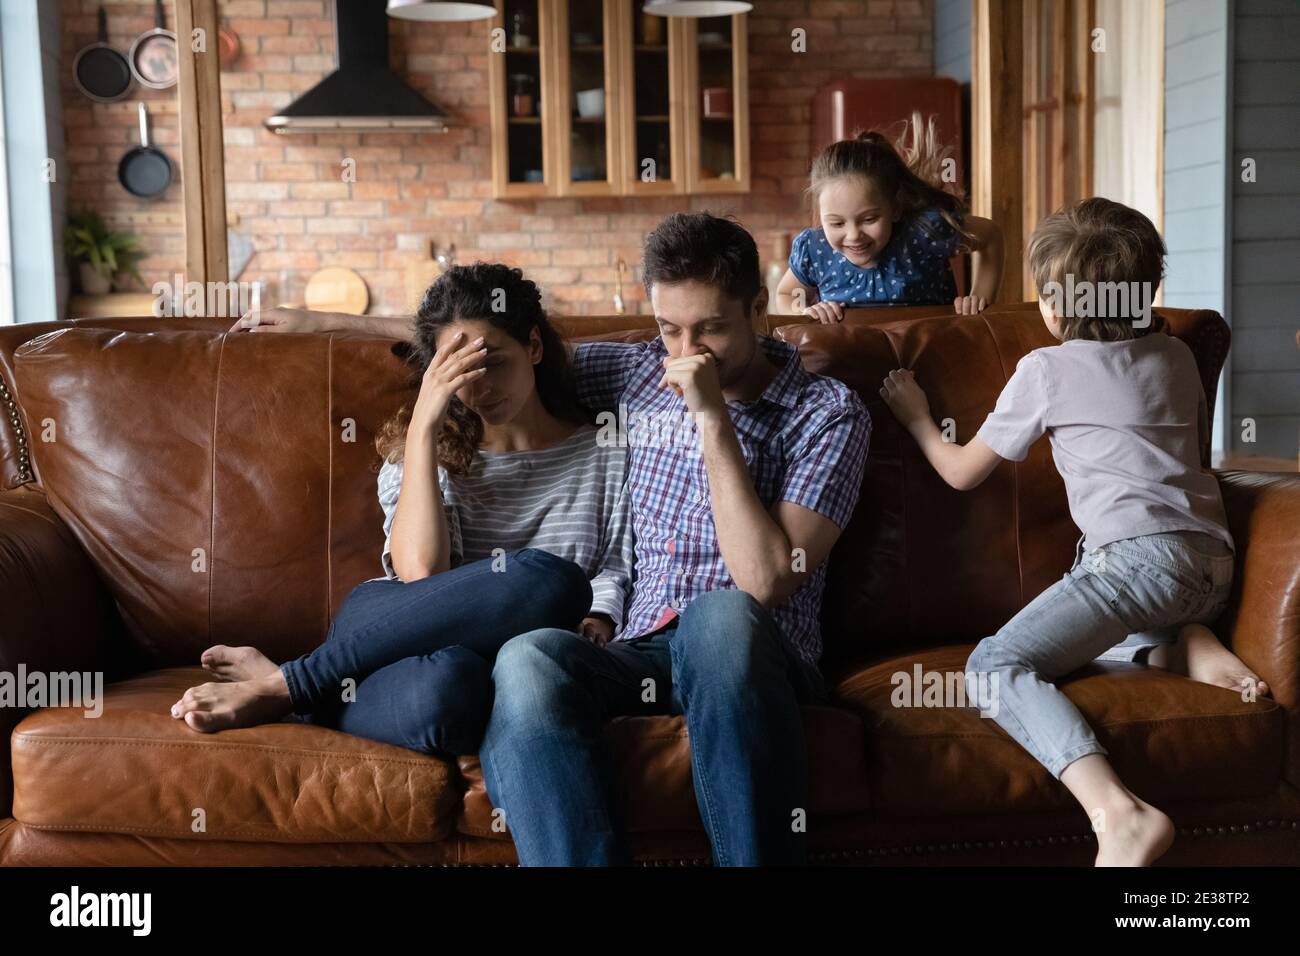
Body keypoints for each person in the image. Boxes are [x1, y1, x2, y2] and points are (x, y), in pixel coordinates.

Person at [230, 212, 872, 866]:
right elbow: (491, 344)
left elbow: (765, 581)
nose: (686, 354)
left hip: (752, 652)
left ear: (757, 309)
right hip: (642, 647)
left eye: (710, 328)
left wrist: (712, 419)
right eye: (668, 329)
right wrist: (331, 324)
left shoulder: (827, 413)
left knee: (722, 613)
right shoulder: (636, 371)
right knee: (529, 657)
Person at [878, 197, 1268, 866]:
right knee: (1102, 642)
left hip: (1137, 567)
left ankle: (1116, 813)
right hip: (1212, 566)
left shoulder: (1046, 370)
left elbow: (963, 473)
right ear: (1148, 290)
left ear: (1051, 310)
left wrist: (917, 418)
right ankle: (1181, 646)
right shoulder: (1176, 356)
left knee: (995, 665)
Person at [170, 263, 634, 763]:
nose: (479, 388)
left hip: (488, 665)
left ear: (535, 347)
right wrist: (424, 429)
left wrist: (598, 614)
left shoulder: (604, 449)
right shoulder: (421, 450)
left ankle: (292, 690)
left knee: (458, 690)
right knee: (542, 581)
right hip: (390, 625)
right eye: (457, 373)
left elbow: (613, 564)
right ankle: (295, 681)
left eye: (493, 362)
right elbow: (421, 575)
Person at [776, 112, 1003, 321]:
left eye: (869, 219)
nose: (854, 235)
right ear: (820, 215)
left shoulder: (925, 231)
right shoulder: (814, 250)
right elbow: (786, 293)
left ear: (894, 208)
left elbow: (990, 236)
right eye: (836, 223)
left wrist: (979, 300)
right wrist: (803, 310)